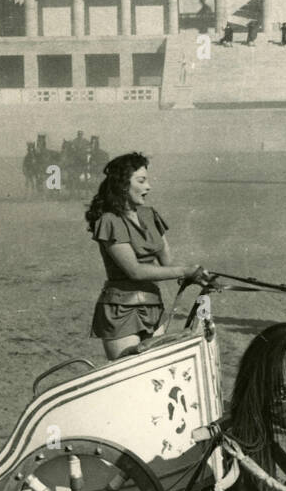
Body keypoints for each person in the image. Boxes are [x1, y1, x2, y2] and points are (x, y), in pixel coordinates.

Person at [85, 152, 213, 360]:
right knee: (128, 377)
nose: (148, 187)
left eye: (148, 180)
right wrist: (185, 271)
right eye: (141, 181)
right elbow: (134, 271)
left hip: (154, 306)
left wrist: (197, 275)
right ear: (123, 185)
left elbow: (167, 264)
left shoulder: (150, 215)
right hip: (121, 310)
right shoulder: (110, 221)